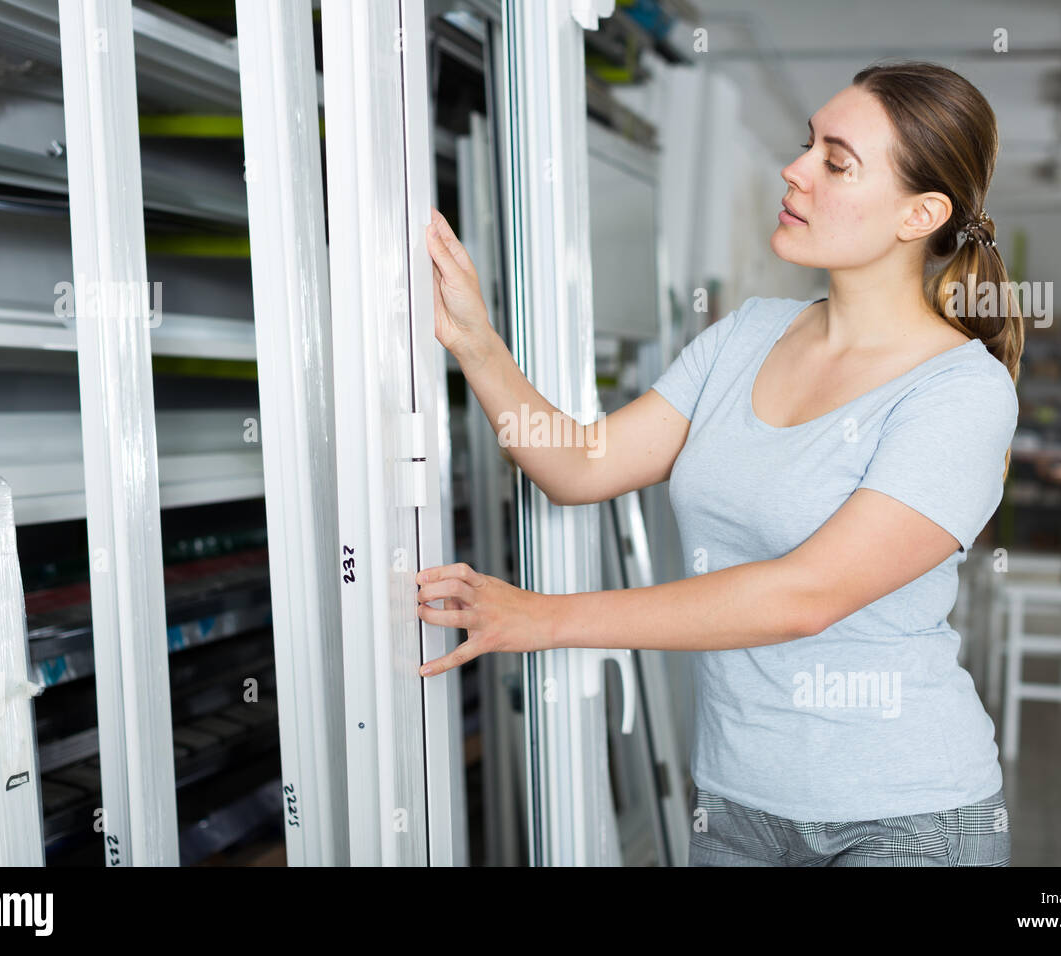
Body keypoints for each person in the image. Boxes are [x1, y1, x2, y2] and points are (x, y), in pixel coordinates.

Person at [418, 60, 1022, 867]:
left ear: (921, 214)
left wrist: (546, 619)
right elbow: (581, 467)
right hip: (735, 805)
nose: (795, 170)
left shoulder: (960, 392)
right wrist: (474, 341)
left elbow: (805, 595)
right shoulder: (747, 335)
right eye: (807, 145)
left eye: (836, 162)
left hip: (904, 815)